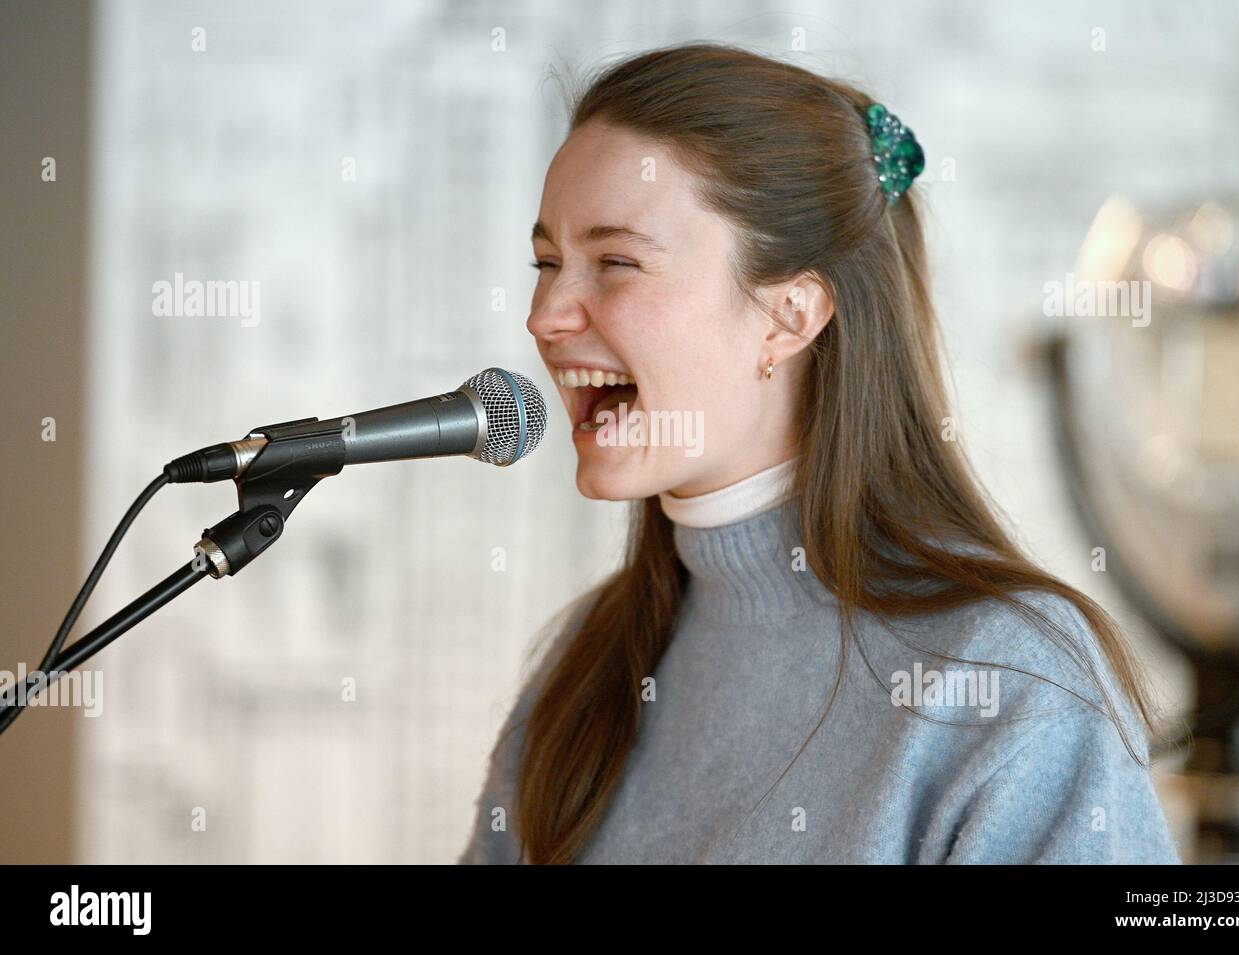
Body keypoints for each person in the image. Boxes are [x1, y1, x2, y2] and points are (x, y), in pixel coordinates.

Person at [459, 41, 1181, 864]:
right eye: (546, 263)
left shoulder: (1005, 678)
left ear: (793, 314)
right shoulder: (584, 667)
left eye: (616, 262)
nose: (546, 314)